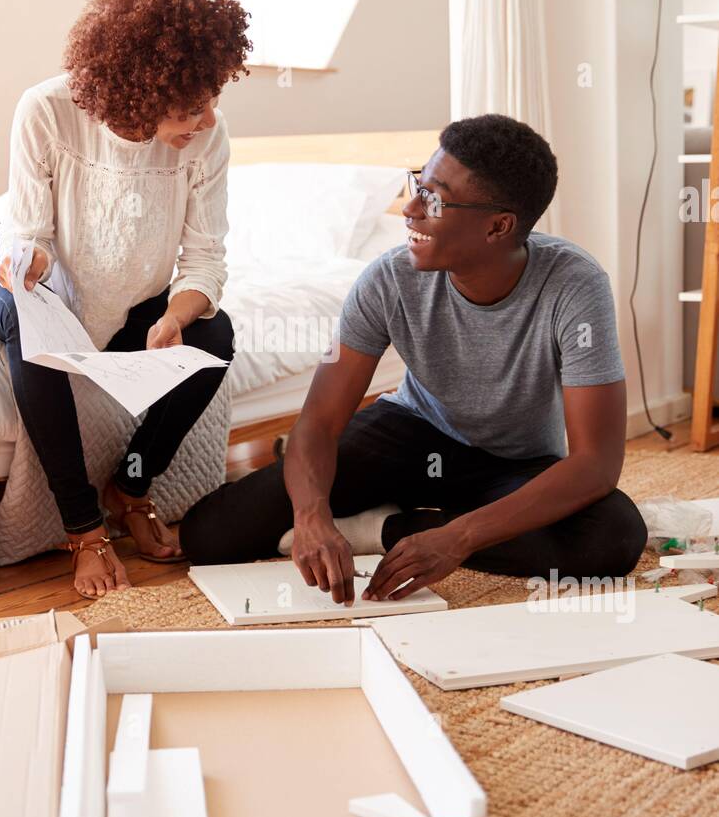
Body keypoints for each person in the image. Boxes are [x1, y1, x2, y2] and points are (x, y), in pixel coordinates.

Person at [180, 113, 647, 603]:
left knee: (610, 540)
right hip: (409, 435)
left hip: (513, 465)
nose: (409, 209)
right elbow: (318, 421)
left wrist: (457, 539)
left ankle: (388, 528)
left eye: (434, 198)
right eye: (416, 185)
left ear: (499, 226)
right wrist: (312, 517)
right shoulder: (388, 279)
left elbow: (596, 463)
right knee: (210, 535)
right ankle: (401, 518)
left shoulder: (574, 286)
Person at [0, 0, 250, 597]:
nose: (205, 121)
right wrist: (30, 265)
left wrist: (177, 314)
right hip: (16, 278)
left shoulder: (209, 139)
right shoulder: (46, 109)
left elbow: (204, 259)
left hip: (126, 303)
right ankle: (85, 530)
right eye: (193, 106)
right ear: (141, 88)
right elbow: (27, 234)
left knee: (215, 335)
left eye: (212, 100)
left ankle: (131, 488)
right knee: (22, 315)